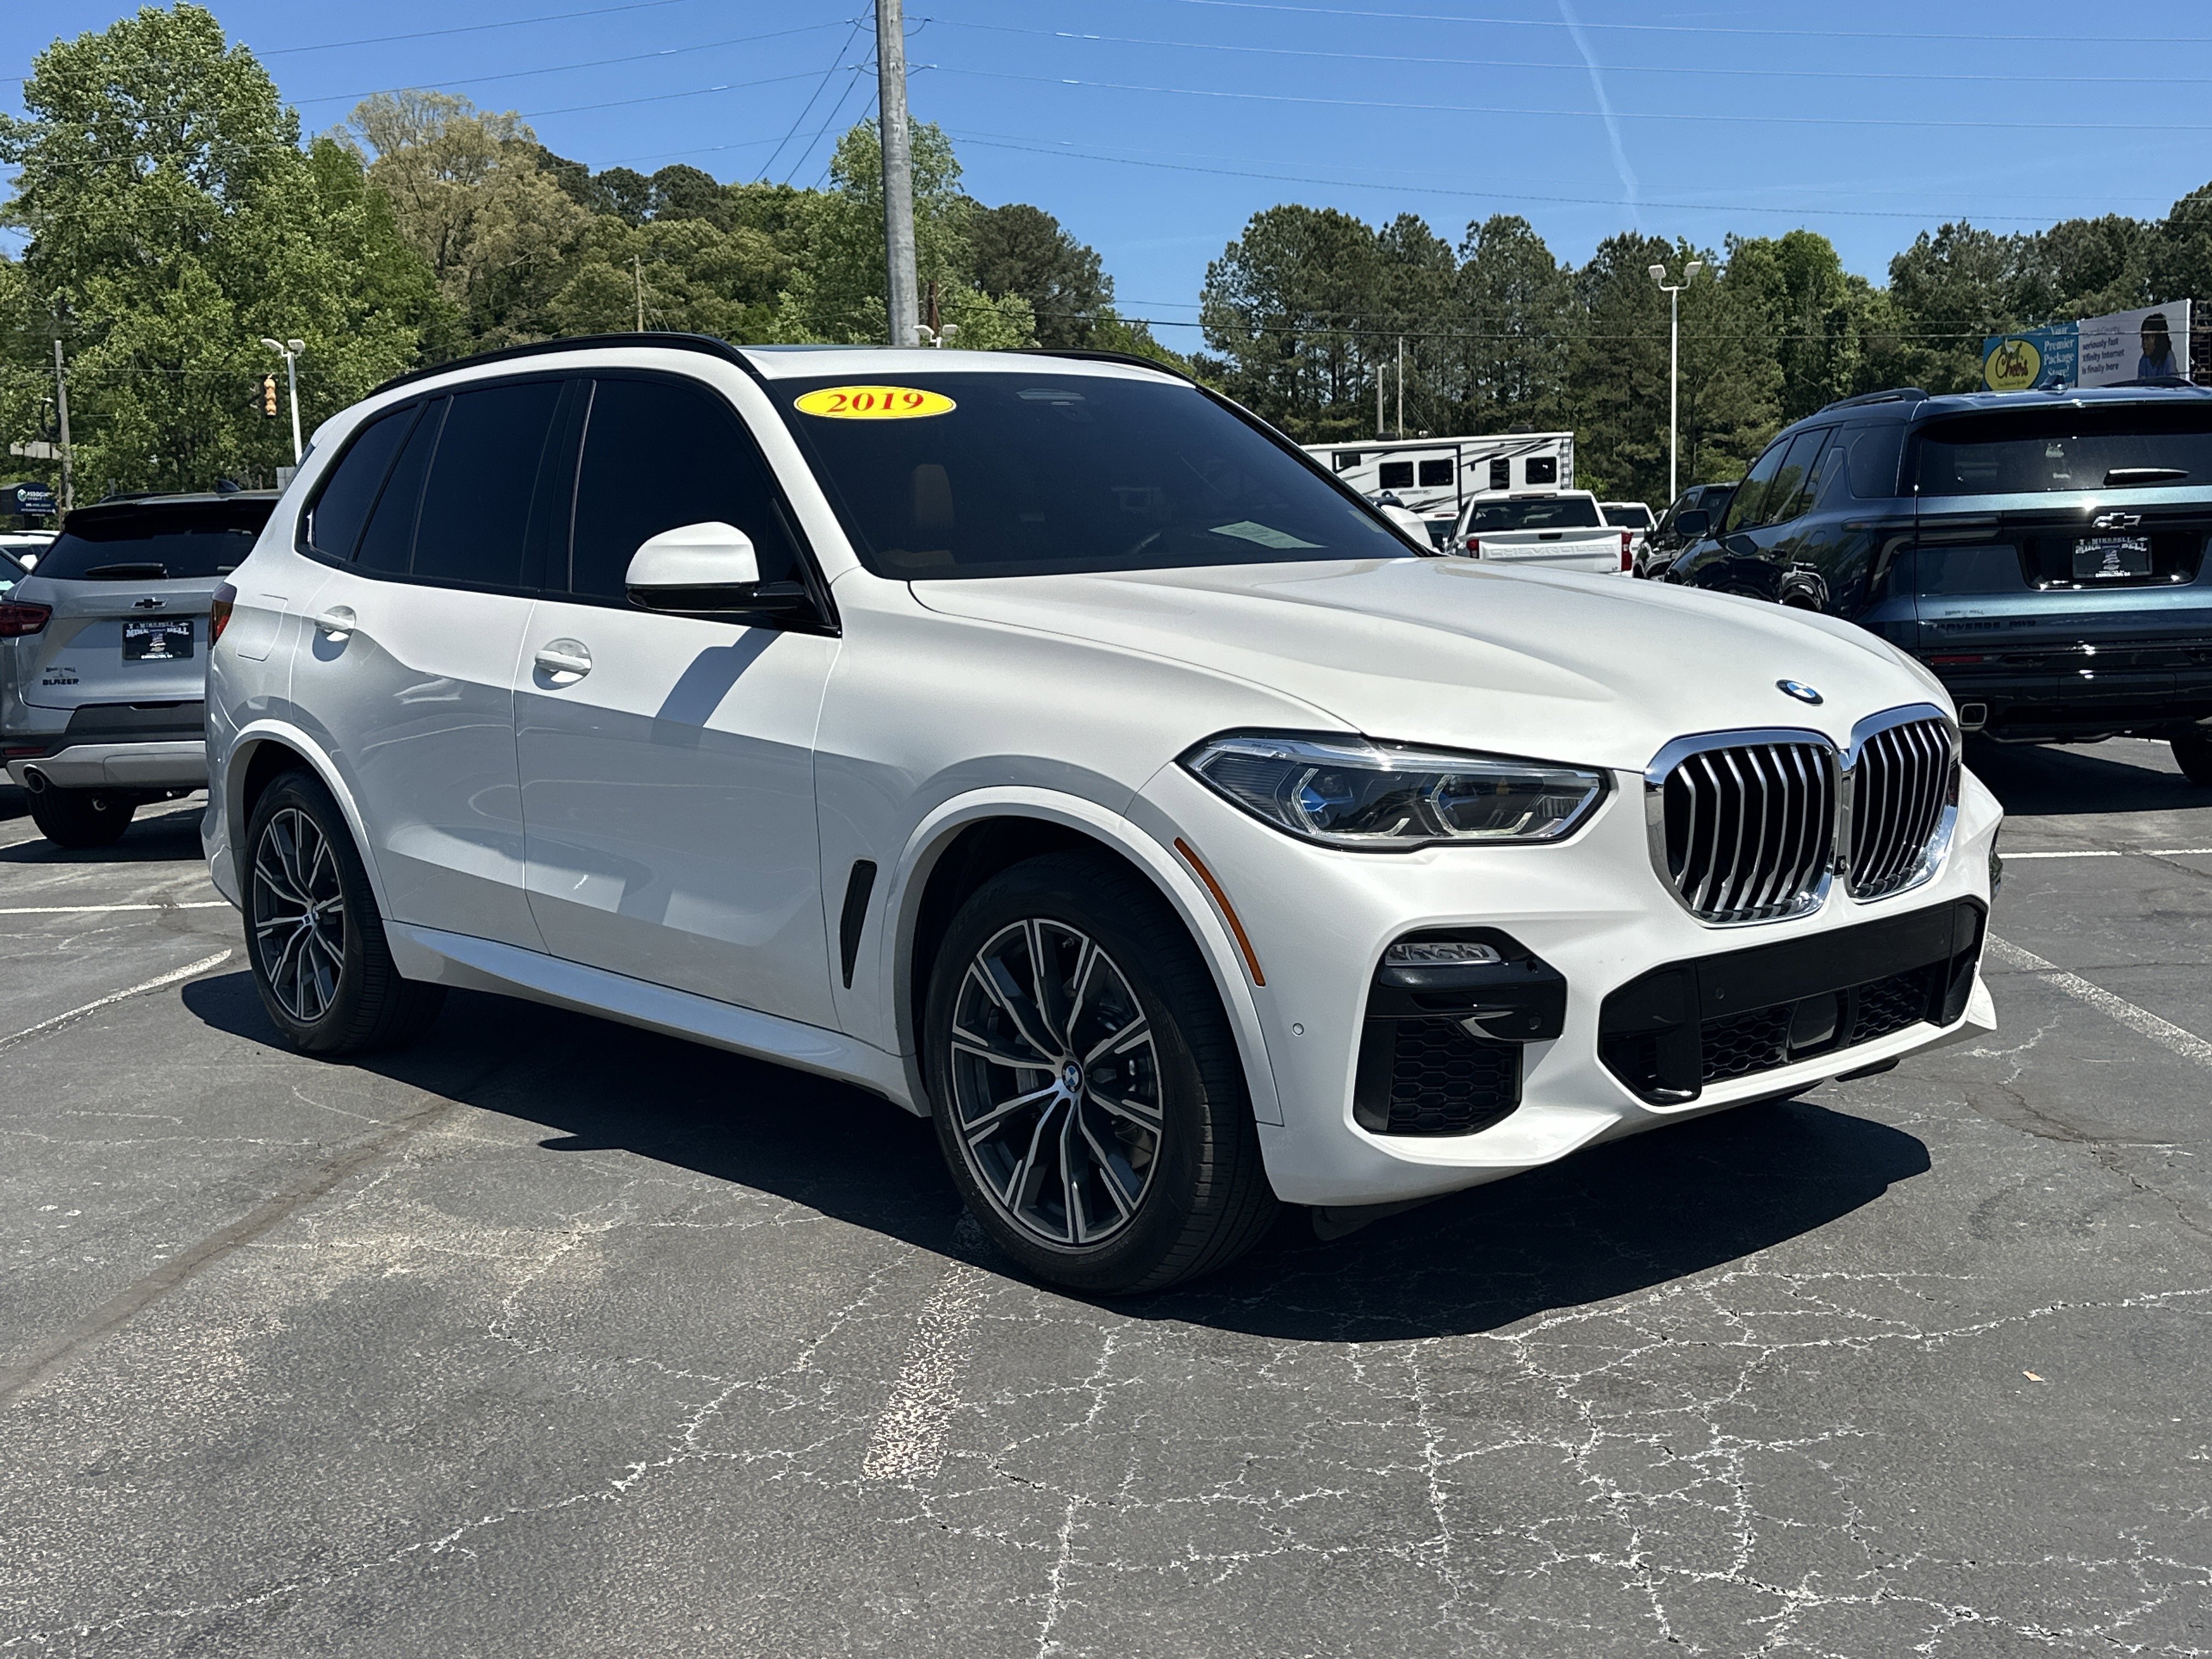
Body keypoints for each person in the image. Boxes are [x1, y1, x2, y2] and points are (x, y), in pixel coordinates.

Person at [2137, 313, 2179, 380]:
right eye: (2143, 338)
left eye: (2147, 338)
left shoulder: (2169, 358)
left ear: (2159, 338)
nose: (2144, 342)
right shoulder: (2144, 361)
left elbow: (2172, 385)